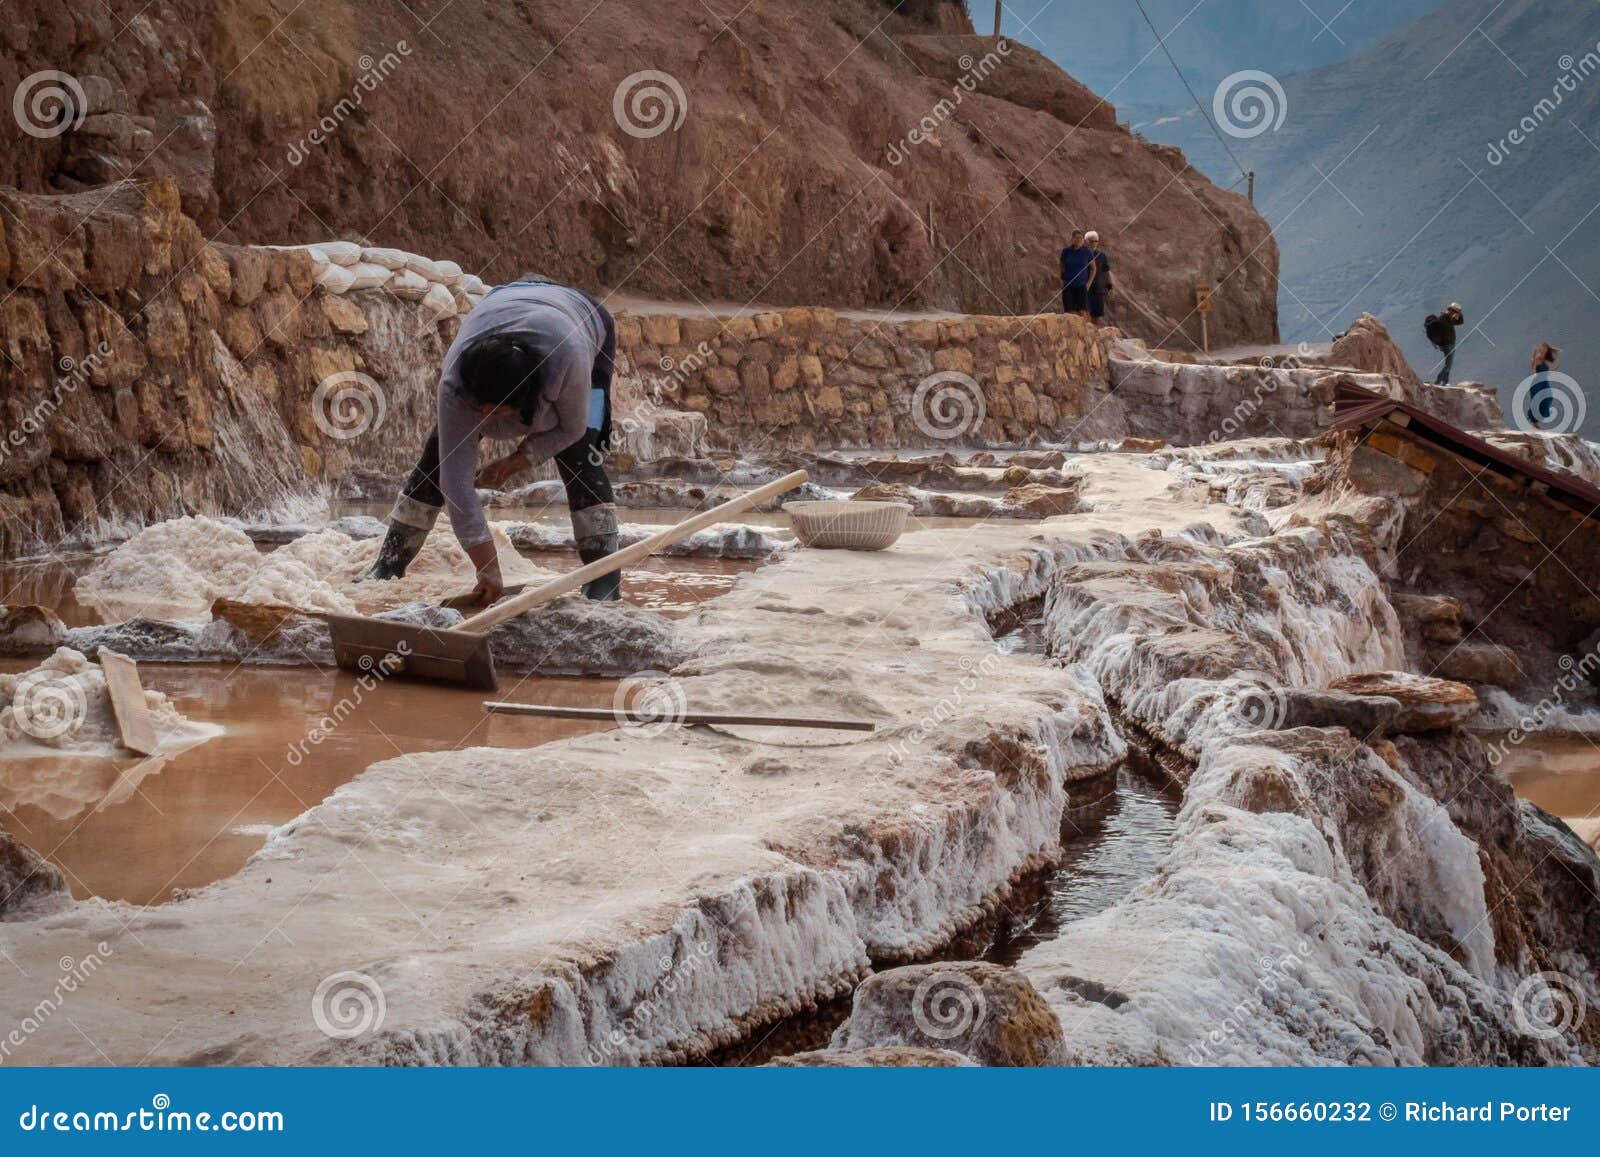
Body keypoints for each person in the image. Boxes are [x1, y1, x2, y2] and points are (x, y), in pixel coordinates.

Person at [366, 276, 621, 605]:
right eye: (477, 410)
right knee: (437, 457)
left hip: (586, 320)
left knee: (581, 453)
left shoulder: (568, 359)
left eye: (492, 413)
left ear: (520, 403)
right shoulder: (457, 383)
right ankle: (388, 564)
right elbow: (455, 484)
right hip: (508, 301)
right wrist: (487, 568)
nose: (482, 420)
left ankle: (603, 581)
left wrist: (514, 462)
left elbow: (569, 429)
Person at [1424, 302, 1465, 385]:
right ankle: (1438, 381)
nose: (1456, 314)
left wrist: (1459, 315)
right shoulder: (1444, 319)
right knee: (1448, 365)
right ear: (1451, 311)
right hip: (1447, 345)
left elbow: (1460, 322)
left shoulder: (1447, 318)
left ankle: (1445, 382)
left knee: (1448, 365)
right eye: (1456, 312)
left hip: (1448, 344)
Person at [1059, 229, 1097, 316]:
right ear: (1072, 239)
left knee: (1082, 312)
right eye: (1077, 238)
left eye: (1081, 238)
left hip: (1081, 286)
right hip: (1068, 285)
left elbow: (1093, 269)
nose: (1079, 240)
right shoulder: (1066, 251)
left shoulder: (1087, 252)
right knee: (1069, 313)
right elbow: (1061, 264)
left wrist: (1088, 284)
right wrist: (1062, 277)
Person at [1527, 342, 1562, 428]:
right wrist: (1533, 355)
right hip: (1537, 382)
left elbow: (1550, 368)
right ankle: (1534, 422)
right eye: (1542, 348)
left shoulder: (1546, 360)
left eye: (1544, 348)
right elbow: (1533, 368)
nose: (1542, 349)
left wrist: (1557, 365)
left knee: (1548, 398)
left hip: (1544, 381)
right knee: (1536, 400)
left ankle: (1537, 419)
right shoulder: (1538, 358)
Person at [1085, 230, 1113, 324]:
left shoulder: (1101, 255)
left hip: (1098, 288)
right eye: (1091, 241)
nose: (1094, 243)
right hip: (1085, 288)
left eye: (1096, 241)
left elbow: (1106, 271)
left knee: (1096, 314)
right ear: (1086, 241)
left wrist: (1110, 285)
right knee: (1084, 313)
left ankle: (1094, 335)